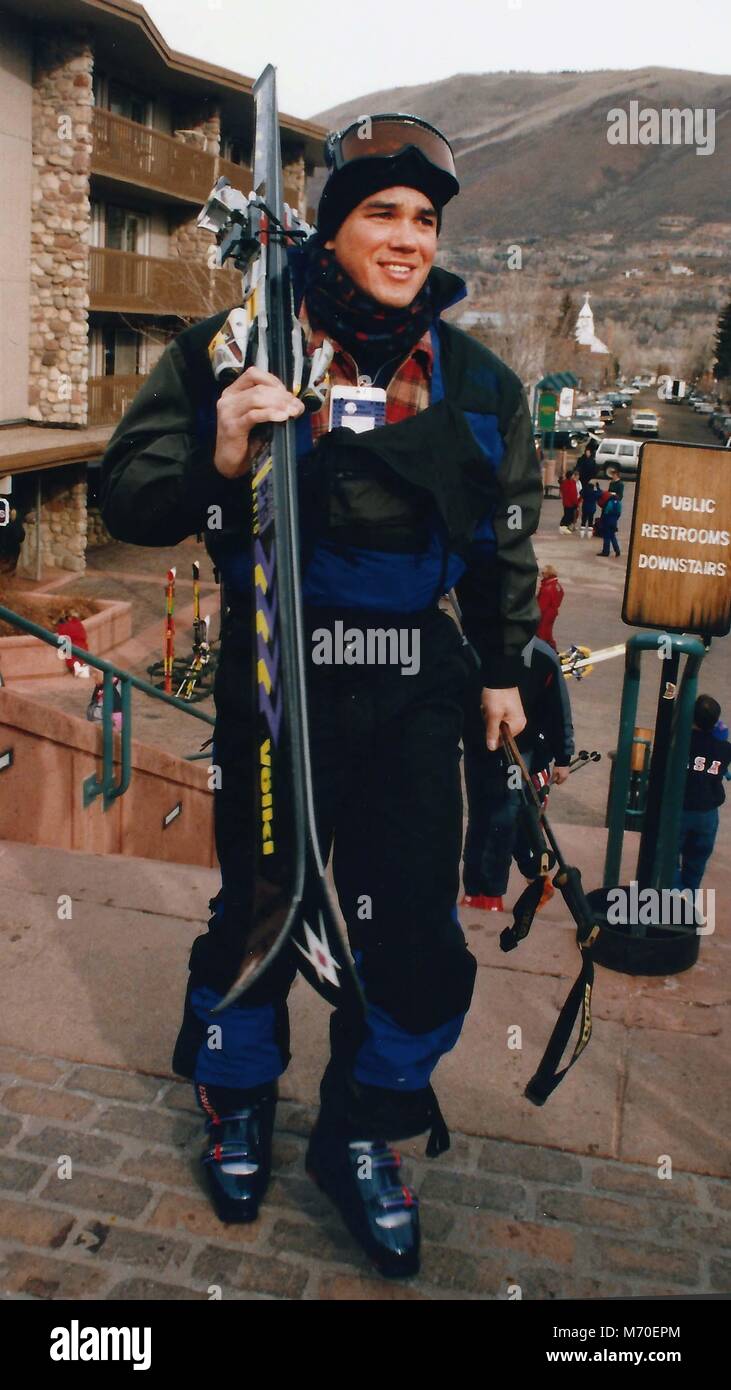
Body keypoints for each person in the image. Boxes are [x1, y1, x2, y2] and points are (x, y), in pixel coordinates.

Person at [99, 111, 542, 1278]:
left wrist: (499, 670)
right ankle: (236, 1094)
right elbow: (131, 498)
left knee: (412, 933)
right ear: (327, 229)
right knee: (262, 905)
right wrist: (225, 458)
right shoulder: (234, 347)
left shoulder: (481, 381)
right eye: (378, 215)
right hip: (276, 671)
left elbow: (504, 541)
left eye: (422, 220)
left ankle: (359, 1130)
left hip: (412, 683)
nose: (404, 238)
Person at [461, 635, 574, 912]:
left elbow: (559, 710)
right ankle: (479, 888)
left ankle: (491, 892)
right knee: (482, 819)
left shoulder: (543, 658)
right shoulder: (466, 650)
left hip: (519, 754)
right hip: (480, 750)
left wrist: (563, 757)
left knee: (503, 820)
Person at [674, 695, 731, 893]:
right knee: (696, 865)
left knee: (669, 861)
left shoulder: (681, 742)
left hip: (680, 810)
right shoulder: (725, 748)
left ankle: (674, 905)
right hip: (707, 814)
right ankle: (687, 906)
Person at [55, 608, 90, 677]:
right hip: (81, 649)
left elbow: (62, 634)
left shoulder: (66, 626)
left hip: (73, 650)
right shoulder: (78, 624)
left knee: (73, 657)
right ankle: (80, 669)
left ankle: (78, 669)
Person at [536, 565, 564, 649]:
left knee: (541, 633)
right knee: (548, 633)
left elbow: (542, 606)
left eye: (543, 573)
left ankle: (543, 651)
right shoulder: (556, 585)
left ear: (548, 574)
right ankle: (553, 648)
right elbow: (561, 594)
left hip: (546, 614)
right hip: (552, 612)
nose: (542, 574)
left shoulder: (547, 589)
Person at [596, 482, 622, 557]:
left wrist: (603, 521)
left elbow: (606, 512)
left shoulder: (609, 502)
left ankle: (606, 552)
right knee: (613, 536)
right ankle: (617, 550)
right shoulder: (619, 503)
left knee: (606, 537)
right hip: (614, 522)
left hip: (607, 521)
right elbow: (619, 513)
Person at [559, 469, 579, 534]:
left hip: (567, 502)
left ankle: (565, 527)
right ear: (571, 476)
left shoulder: (566, 482)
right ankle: (563, 527)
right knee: (568, 515)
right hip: (570, 503)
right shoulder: (570, 483)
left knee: (568, 514)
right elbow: (573, 494)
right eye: (573, 475)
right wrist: (576, 502)